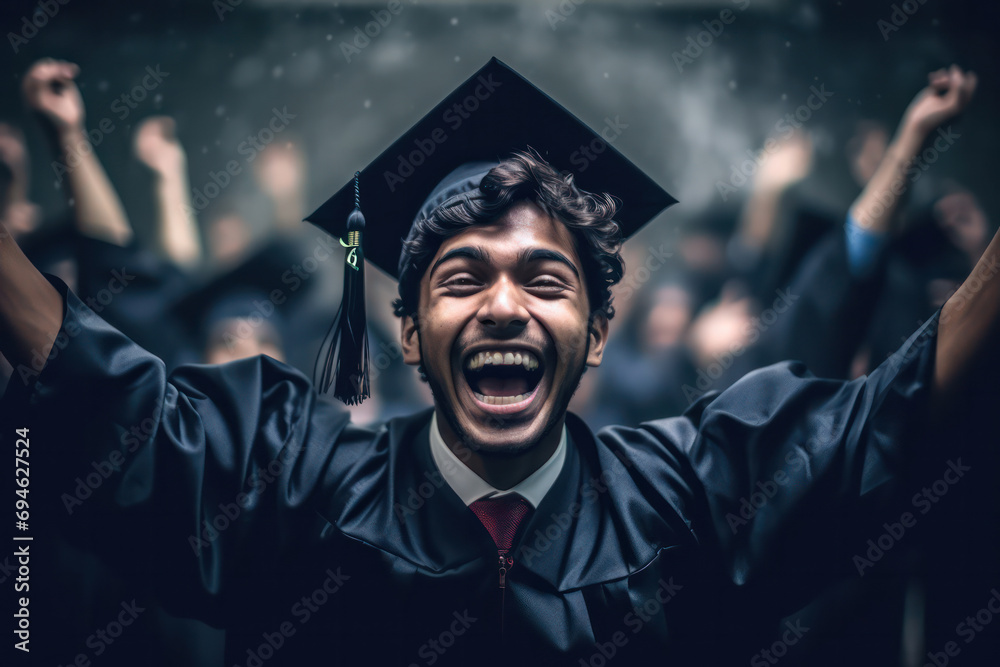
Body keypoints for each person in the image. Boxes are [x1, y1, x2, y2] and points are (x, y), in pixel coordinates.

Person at [0, 58, 995, 665]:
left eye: (546, 281)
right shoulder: (294, 490)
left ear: (597, 335)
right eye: (462, 277)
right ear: (406, 332)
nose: (505, 303)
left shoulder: (694, 495)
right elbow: (115, 404)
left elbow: (893, 418)